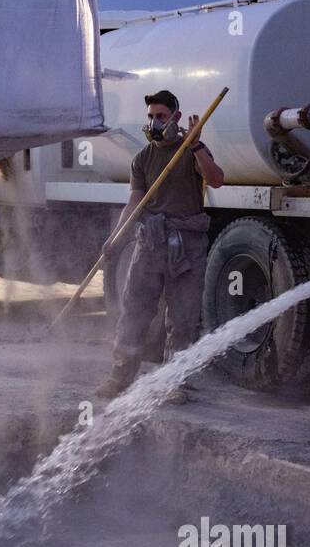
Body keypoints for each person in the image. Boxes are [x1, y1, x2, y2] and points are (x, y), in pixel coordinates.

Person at [96, 90, 224, 402]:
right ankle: (120, 376)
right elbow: (134, 204)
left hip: (187, 246)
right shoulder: (143, 159)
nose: (154, 122)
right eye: (151, 116)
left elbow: (217, 179)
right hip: (150, 243)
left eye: (161, 116)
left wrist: (195, 145)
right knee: (134, 312)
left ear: (176, 118)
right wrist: (115, 239)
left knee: (181, 320)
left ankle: (174, 382)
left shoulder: (192, 150)